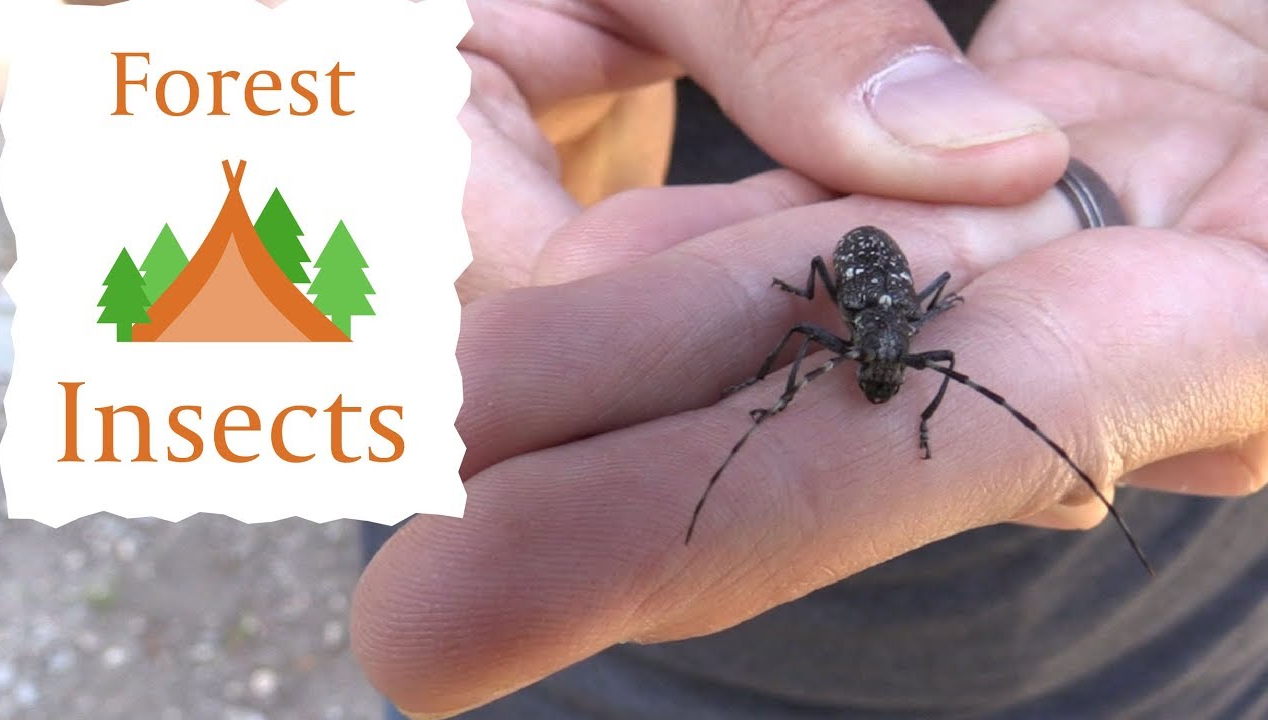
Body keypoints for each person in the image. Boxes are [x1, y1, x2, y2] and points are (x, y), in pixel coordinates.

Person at [355, 1, 1268, 718]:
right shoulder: (841, 337)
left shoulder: (912, 346)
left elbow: (923, 341)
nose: (880, 373)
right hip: (618, 680)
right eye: (878, 365)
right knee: (532, 581)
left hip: (1174, 654)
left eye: (888, 365)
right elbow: (804, 335)